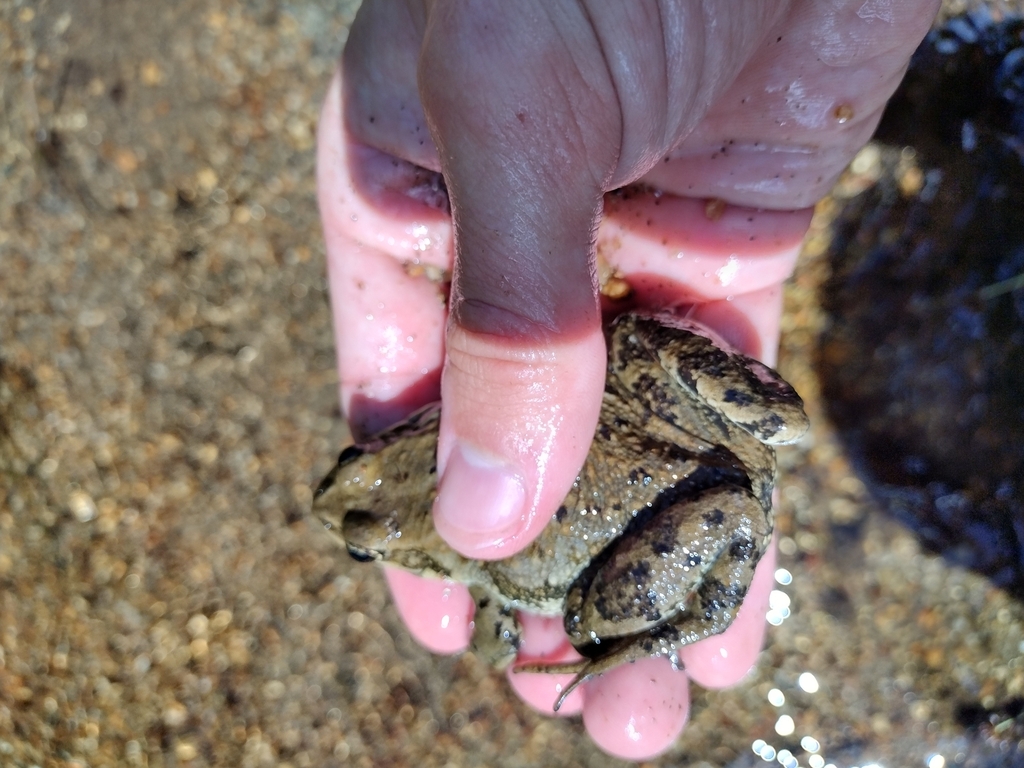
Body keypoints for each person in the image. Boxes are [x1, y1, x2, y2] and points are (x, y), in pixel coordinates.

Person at [317, 1, 940, 759]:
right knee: (633, 364)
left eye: (362, 526)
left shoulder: (471, 538)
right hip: (674, 430)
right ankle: (723, 530)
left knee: (581, 624)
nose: (359, 466)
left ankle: (709, 587)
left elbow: (494, 638)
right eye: (364, 525)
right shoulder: (441, 423)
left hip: (687, 498)